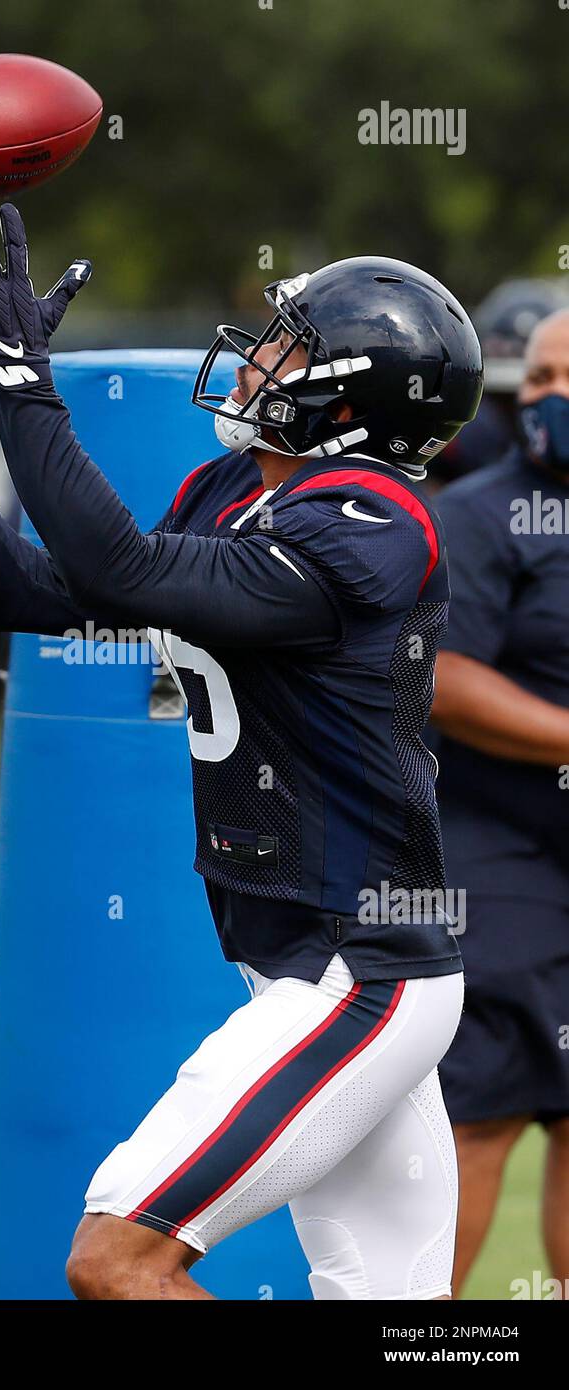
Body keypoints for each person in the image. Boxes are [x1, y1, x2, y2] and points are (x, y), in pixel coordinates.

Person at [0, 205, 482, 1301]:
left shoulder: (369, 523)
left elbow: (114, 565)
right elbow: (28, 590)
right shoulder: (230, 491)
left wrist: (24, 379)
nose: (260, 355)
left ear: (345, 403)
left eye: (291, 342)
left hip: (357, 971)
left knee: (119, 1259)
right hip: (304, 960)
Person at [431, 307, 569, 1296]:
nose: (546, 394)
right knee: (478, 1110)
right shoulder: (478, 512)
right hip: (501, 850)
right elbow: (441, 679)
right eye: (539, 374)